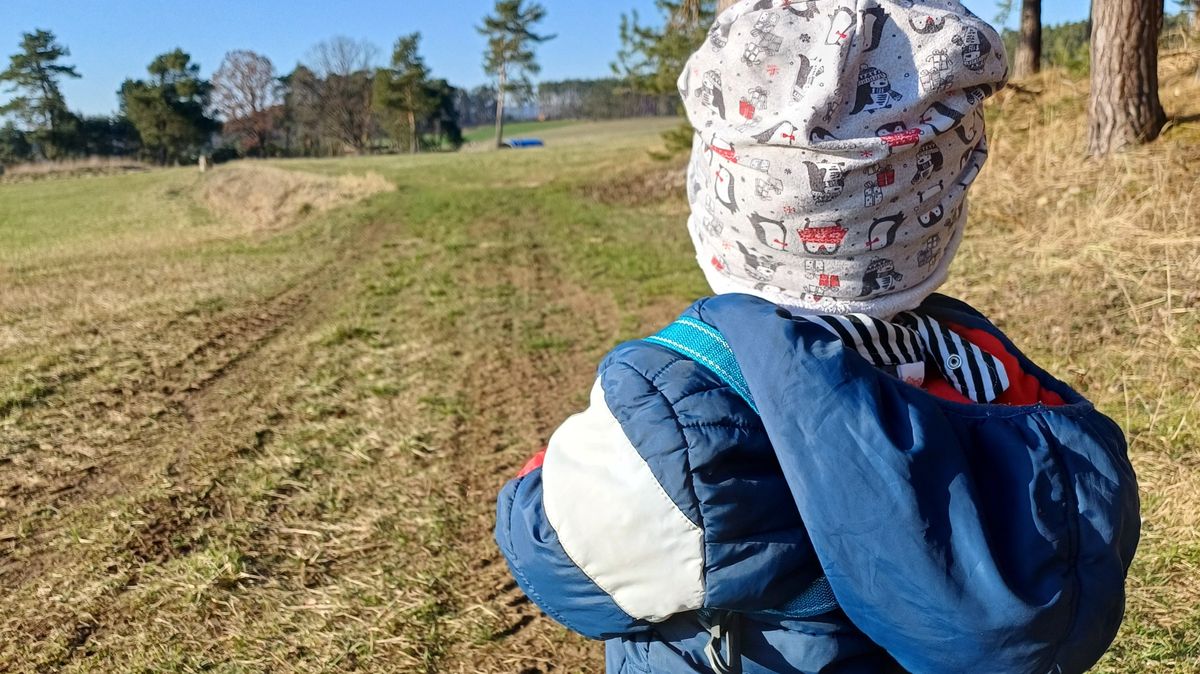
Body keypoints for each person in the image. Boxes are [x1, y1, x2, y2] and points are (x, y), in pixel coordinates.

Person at [494, 1, 1141, 672]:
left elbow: (547, 549)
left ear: (721, 206)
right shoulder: (995, 380)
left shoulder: (683, 418)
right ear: (941, 216)